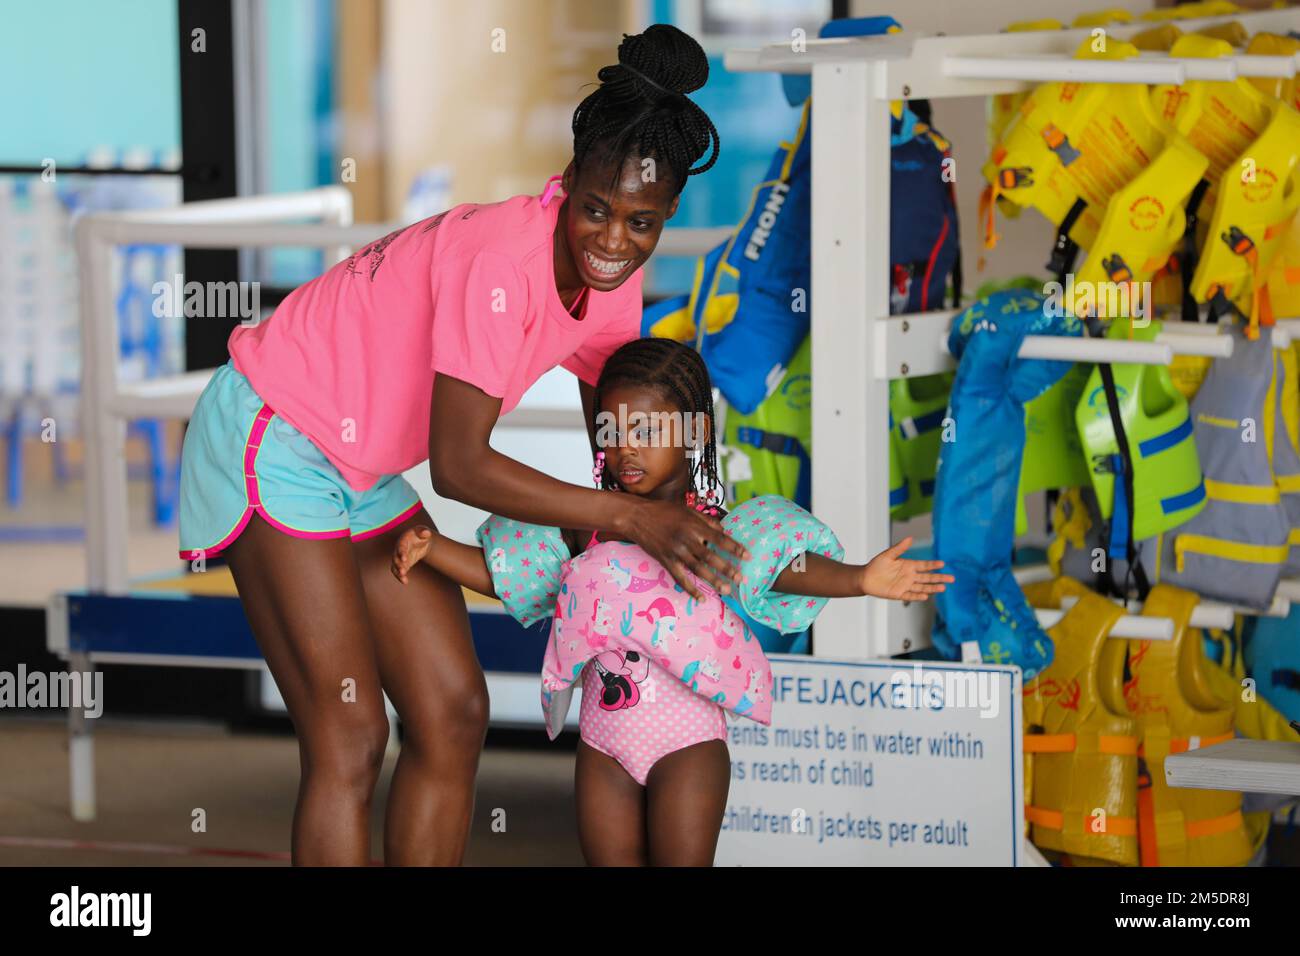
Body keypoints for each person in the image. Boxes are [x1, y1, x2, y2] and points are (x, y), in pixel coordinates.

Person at [177, 24, 739, 866]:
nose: (614, 241)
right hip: (278, 429)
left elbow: (614, 448)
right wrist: (630, 521)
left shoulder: (608, 286)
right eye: (596, 210)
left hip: (360, 464)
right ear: (567, 182)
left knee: (450, 711)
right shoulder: (501, 261)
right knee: (351, 732)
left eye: (642, 223)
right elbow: (461, 465)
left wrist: (672, 526)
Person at [392, 337, 952, 865]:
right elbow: (512, 576)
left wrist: (859, 578)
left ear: (693, 432)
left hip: (688, 748)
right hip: (602, 749)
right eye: (610, 430)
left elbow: (783, 566)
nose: (624, 446)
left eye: (646, 429)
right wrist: (434, 548)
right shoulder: (587, 531)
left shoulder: (713, 531)